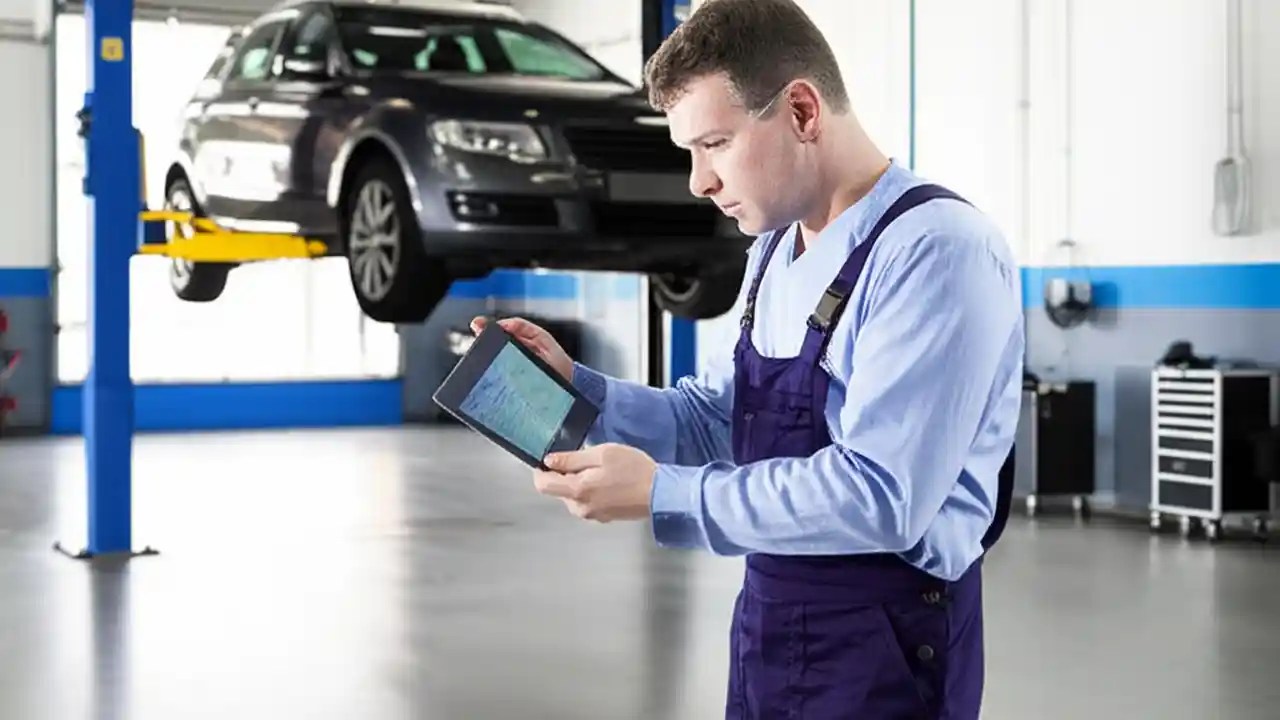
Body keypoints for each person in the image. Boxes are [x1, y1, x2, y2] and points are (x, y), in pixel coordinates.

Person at [472, 0, 1024, 716]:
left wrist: (663, 493)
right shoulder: (774, 249)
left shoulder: (934, 251)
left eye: (715, 144)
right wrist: (584, 391)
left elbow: (882, 497)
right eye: (690, 153)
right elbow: (717, 421)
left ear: (801, 111)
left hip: (886, 647)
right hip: (772, 626)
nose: (698, 181)